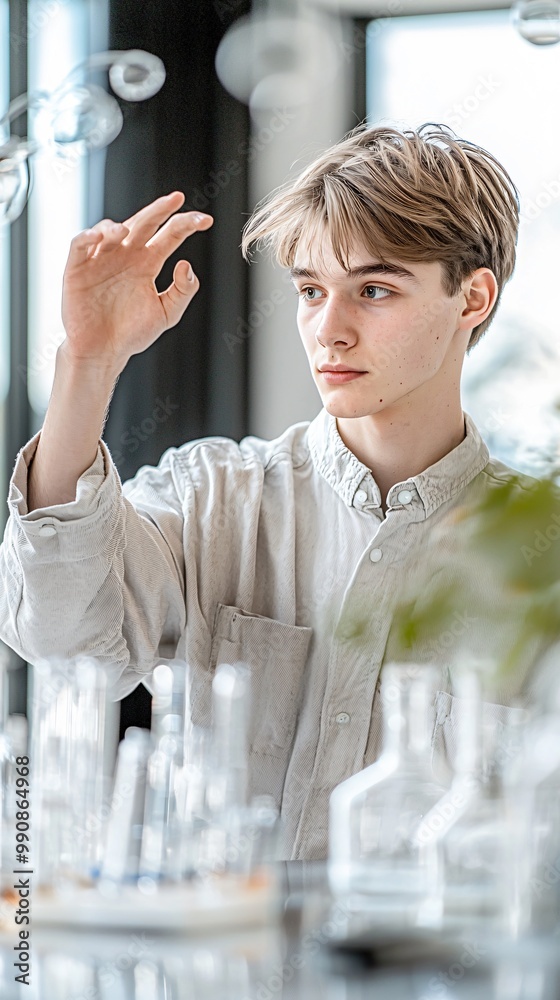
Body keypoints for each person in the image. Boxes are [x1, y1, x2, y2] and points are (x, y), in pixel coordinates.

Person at [0, 123, 545, 860]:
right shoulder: (211, 499)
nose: (330, 329)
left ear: (472, 298)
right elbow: (62, 641)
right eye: (312, 290)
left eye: (374, 289)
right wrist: (88, 365)